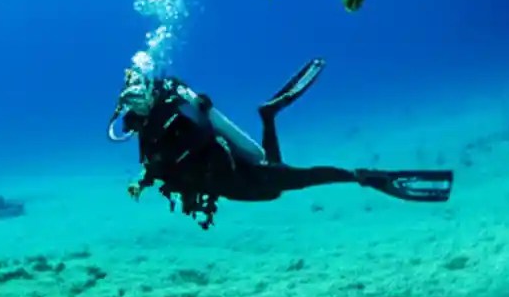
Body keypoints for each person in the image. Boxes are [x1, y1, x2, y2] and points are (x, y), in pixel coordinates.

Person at [106, 59, 452, 230]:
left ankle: (363, 176)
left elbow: (204, 140)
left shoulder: (169, 123)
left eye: (137, 103)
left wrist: (162, 164)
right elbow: (154, 164)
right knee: (277, 181)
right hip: (227, 180)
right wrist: (143, 180)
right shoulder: (149, 133)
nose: (134, 112)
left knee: (295, 179)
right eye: (132, 107)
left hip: (231, 175)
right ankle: (268, 115)